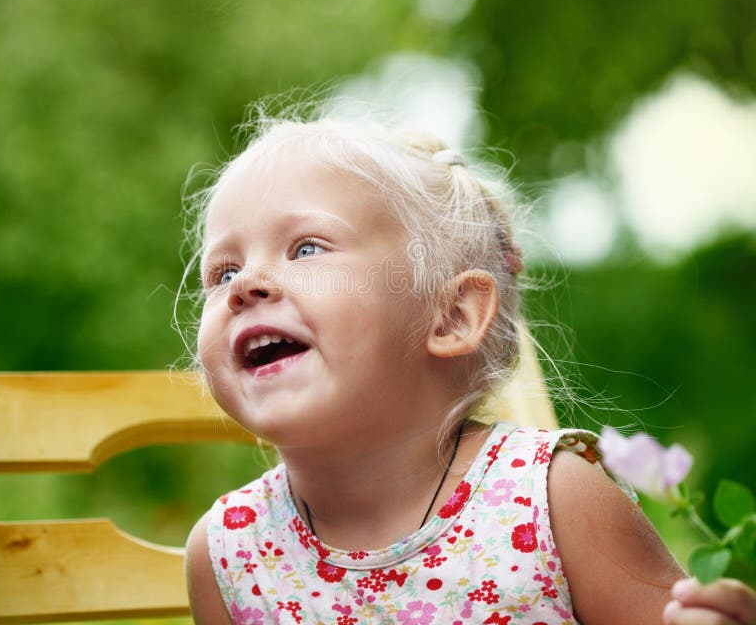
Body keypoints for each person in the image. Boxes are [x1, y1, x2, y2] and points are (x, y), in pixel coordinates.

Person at [184, 117, 756, 624]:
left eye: (307, 249)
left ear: (452, 315)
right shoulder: (228, 552)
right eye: (222, 271)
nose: (245, 286)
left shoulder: (552, 498)